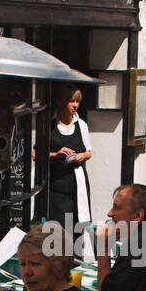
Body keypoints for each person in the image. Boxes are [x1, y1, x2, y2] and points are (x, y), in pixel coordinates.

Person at [47, 87, 94, 246]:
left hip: (78, 186)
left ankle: (76, 265)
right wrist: (56, 154)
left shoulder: (81, 125)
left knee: (77, 227)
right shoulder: (50, 125)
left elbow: (89, 151)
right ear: (60, 102)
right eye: (71, 101)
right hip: (57, 187)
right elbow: (35, 154)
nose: (75, 105)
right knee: (58, 231)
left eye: (77, 101)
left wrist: (82, 156)